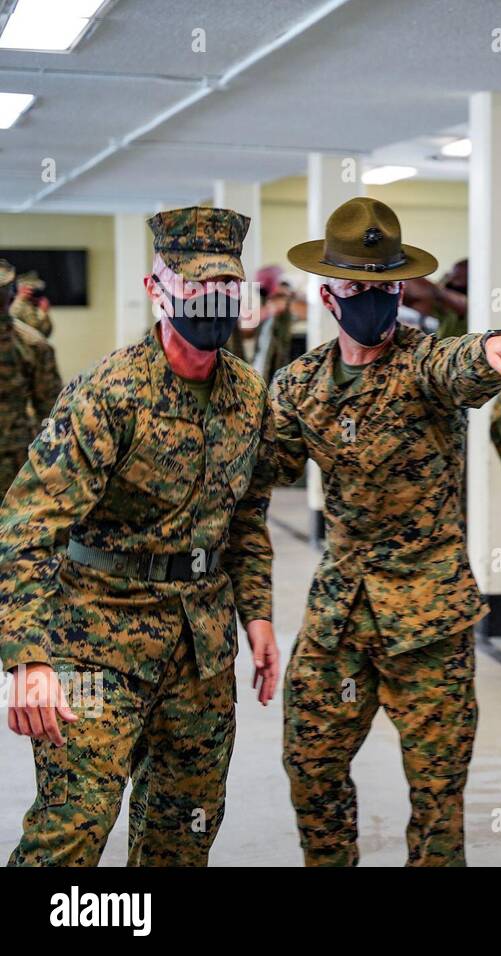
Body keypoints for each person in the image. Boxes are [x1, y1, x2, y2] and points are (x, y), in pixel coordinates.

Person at [1, 206, 280, 867]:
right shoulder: (108, 392)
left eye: (225, 291)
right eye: (197, 290)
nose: (213, 305)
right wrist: (28, 658)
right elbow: (28, 524)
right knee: (74, 827)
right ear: (160, 291)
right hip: (96, 642)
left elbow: (246, 516)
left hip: (200, 653)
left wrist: (259, 616)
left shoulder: (248, 394)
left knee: (184, 832)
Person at [273, 197, 501, 866]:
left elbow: (463, 363)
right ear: (328, 294)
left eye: (386, 288)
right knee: (310, 767)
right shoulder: (299, 383)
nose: (374, 302)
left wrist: (495, 348)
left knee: (437, 790)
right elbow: (257, 473)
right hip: (339, 612)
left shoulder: (423, 365)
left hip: (428, 615)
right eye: (359, 289)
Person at [0, 262, 61, 493]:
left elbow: (50, 409)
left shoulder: (32, 344)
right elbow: (50, 409)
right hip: (16, 457)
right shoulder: (33, 344)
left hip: (14, 459)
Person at [11, 271, 52, 338]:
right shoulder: (13, 302)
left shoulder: (37, 305)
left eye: (36, 289)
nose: (33, 292)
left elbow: (46, 332)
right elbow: (11, 320)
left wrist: (43, 312)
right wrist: (20, 299)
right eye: (29, 289)